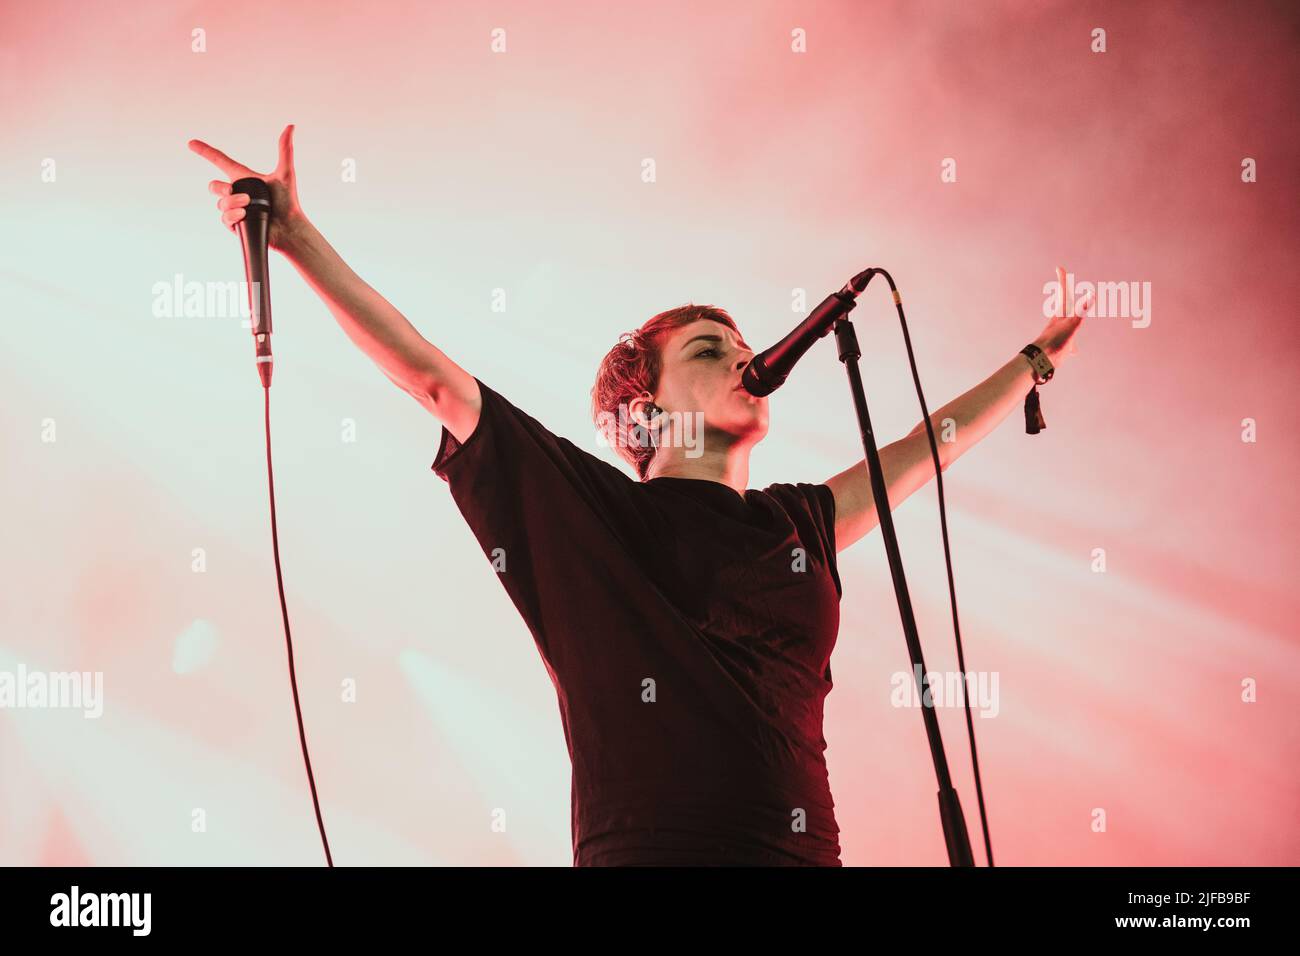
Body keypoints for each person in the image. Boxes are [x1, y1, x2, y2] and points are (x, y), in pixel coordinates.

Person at [189, 125, 1090, 866]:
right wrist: (299, 238)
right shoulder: (593, 513)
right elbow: (434, 380)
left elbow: (925, 449)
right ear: (647, 407)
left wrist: (1036, 358)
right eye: (708, 350)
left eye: (740, 344)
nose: (744, 358)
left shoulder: (799, 520)